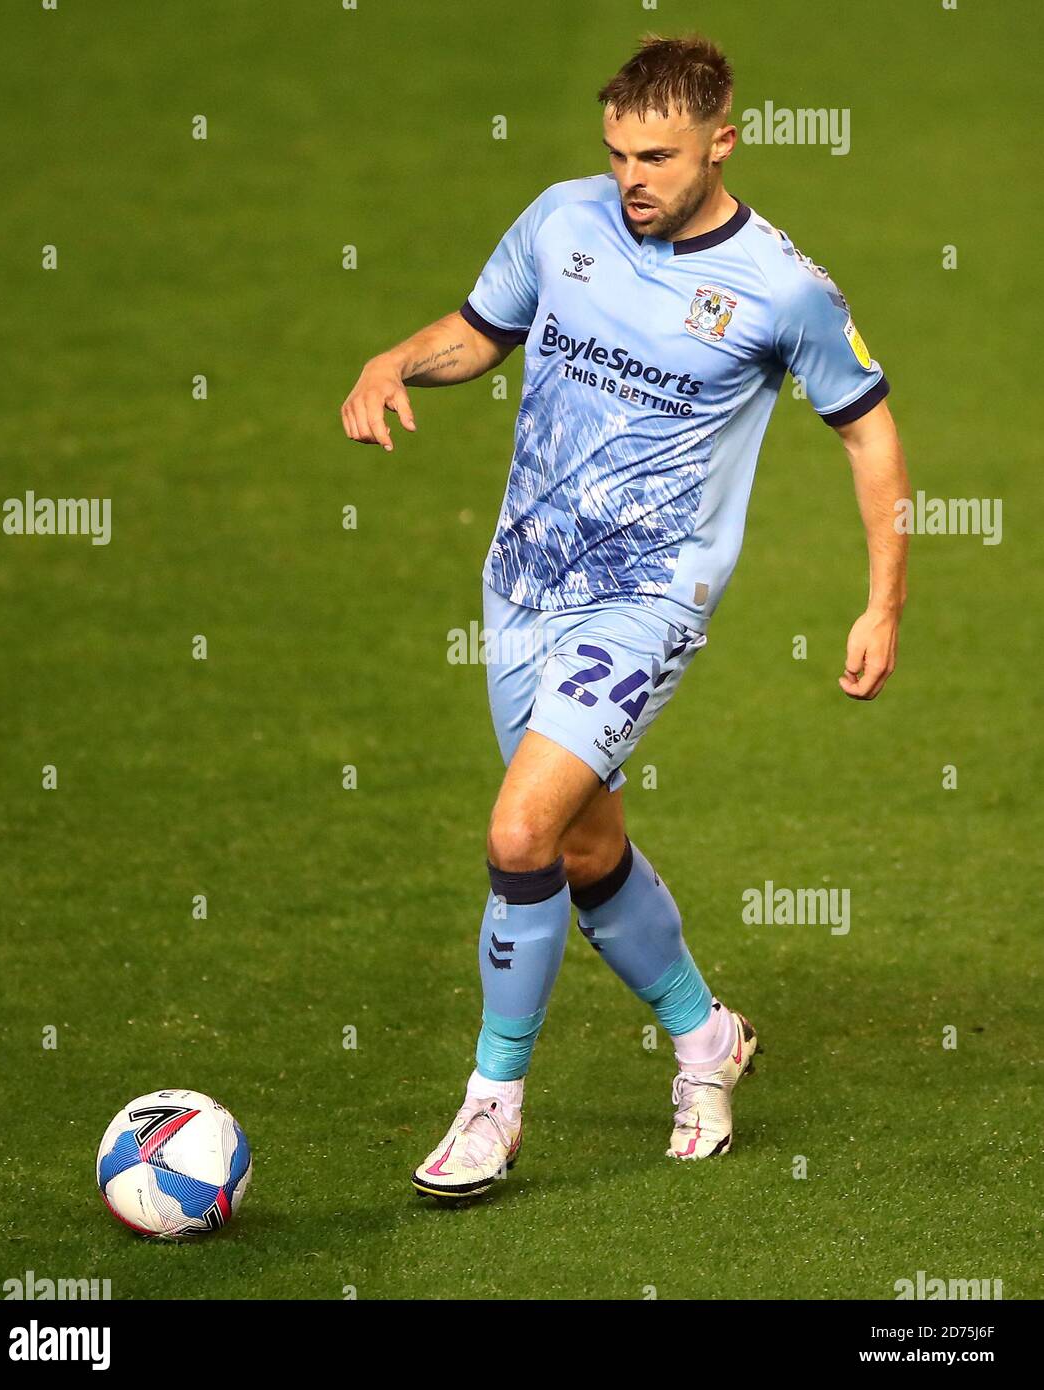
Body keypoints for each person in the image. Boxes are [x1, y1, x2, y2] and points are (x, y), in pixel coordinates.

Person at [341, 33, 909, 1199]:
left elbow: (868, 431)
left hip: (643, 604)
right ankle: (706, 1039)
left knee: (515, 835)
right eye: (615, 154)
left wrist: (879, 603)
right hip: (518, 586)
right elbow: (479, 332)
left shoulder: (783, 289)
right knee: (580, 843)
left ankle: (492, 1106)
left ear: (719, 144)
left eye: (655, 155)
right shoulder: (561, 220)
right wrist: (394, 358)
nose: (630, 178)